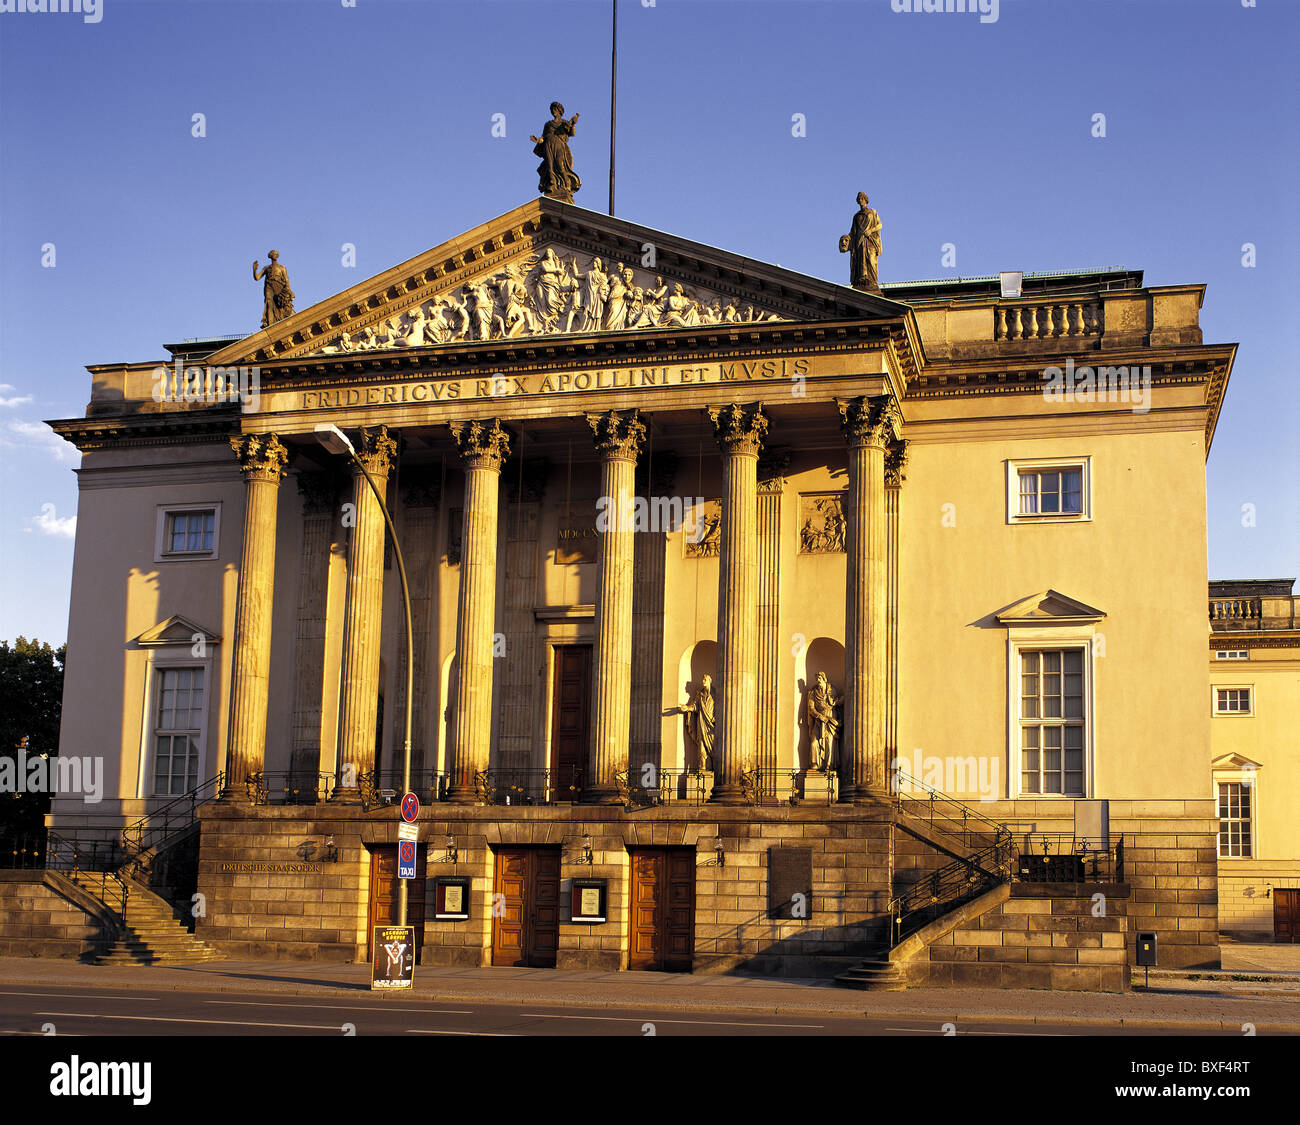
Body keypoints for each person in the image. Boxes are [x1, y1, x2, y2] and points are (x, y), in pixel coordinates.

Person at [530, 102, 582, 203]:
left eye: (555, 109)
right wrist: (537, 140)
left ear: (559, 110)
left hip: (559, 145)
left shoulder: (564, 123)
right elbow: (543, 138)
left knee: (560, 165)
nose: (553, 111)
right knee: (549, 166)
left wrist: (573, 124)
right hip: (548, 145)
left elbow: (572, 133)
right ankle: (552, 184)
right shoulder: (548, 124)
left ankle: (567, 184)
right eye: (552, 109)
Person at [841, 192, 882, 291]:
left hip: (870, 241)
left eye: (862, 199)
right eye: (859, 199)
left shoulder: (872, 212)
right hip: (859, 241)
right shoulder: (856, 216)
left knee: (871, 261)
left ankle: (871, 281)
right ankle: (862, 279)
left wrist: (870, 230)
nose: (860, 201)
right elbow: (853, 231)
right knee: (860, 261)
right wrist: (845, 239)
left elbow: (879, 225)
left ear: (866, 200)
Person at [806, 671, 840, 771]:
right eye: (817, 679)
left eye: (820, 679)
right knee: (814, 742)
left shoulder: (831, 690)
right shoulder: (813, 692)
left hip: (830, 718)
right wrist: (819, 716)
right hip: (818, 719)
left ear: (824, 679)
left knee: (829, 741)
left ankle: (829, 764)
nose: (818, 681)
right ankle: (814, 764)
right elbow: (811, 707)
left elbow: (834, 702)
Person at [681, 675, 716, 773]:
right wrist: (687, 708)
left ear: (710, 680)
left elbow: (720, 706)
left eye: (705, 679)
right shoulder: (700, 695)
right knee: (701, 745)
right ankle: (702, 768)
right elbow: (694, 706)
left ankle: (714, 767)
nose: (702, 681)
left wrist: (716, 717)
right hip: (701, 723)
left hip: (712, 724)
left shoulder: (716, 694)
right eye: (702, 679)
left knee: (713, 745)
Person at [253, 250, 294, 328]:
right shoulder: (266, 268)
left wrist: (287, 289)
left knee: (280, 305)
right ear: (270, 256)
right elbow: (257, 278)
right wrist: (254, 270)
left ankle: (281, 318)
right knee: (269, 303)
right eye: (274, 254)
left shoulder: (282, 268)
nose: (275, 255)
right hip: (269, 287)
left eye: (276, 254)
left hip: (279, 287)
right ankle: (270, 324)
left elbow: (287, 280)